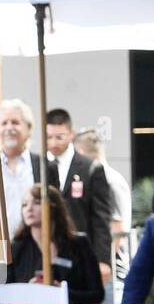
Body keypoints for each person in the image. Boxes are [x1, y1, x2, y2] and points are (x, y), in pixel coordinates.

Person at [45, 108, 113, 284]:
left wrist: (103, 260)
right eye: (48, 136)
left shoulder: (91, 168)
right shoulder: (38, 165)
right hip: (47, 253)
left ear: (71, 134)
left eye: (59, 136)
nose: (53, 142)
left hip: (82, 252)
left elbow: (101, 218)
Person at [8, 184, 104, 304]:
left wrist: (61, 293)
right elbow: (6, 294)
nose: (29, 208)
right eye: (24, 204)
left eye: (37, 202)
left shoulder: (79, 245)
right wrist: (29, 292)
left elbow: (97, 294)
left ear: (53, 207)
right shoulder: (15, 249)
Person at [74, 127, 132, 304]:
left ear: (82, 152)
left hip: (108, 274)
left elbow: (116, 230)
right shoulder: (112, 177)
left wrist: (99, 266)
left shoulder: (107, 179)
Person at [0, 99, 37, 240]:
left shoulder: (44, 166)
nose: (9, 128)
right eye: (4, 123)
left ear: (28, 128)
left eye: (15, 122)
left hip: (34, 248)